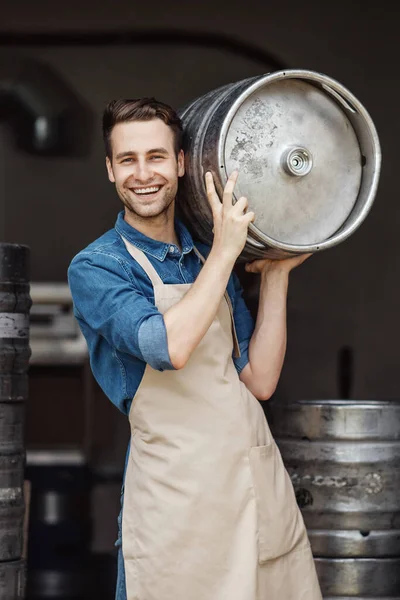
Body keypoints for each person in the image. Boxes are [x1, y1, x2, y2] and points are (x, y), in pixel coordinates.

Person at [68, 97, 322, 600]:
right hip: (176, 507)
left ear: (181, 163)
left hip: (251, 491)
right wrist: (227, 251)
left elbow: (260, 379)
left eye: (157, 157)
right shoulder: (98, 268)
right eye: (128, 160)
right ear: (110, 170)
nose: (144, 174)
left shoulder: (207, 257)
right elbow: (169, 347)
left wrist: (273, 278)